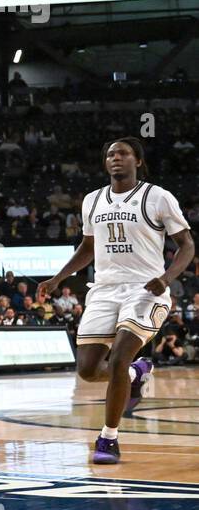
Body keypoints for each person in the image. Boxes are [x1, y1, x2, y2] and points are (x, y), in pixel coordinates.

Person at [37, 138, 193, 464]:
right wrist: (58, 278)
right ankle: (137, 375)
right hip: (104, 290)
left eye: (122, 153)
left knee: (119, 358)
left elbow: (187, 246)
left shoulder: (158, 197)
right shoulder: (93, 200)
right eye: (110, 154)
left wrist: (165, 278)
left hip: (145, 290)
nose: (115, 158)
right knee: (88, 370)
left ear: (138, 160)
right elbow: (87, 248)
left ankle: (108, 438)